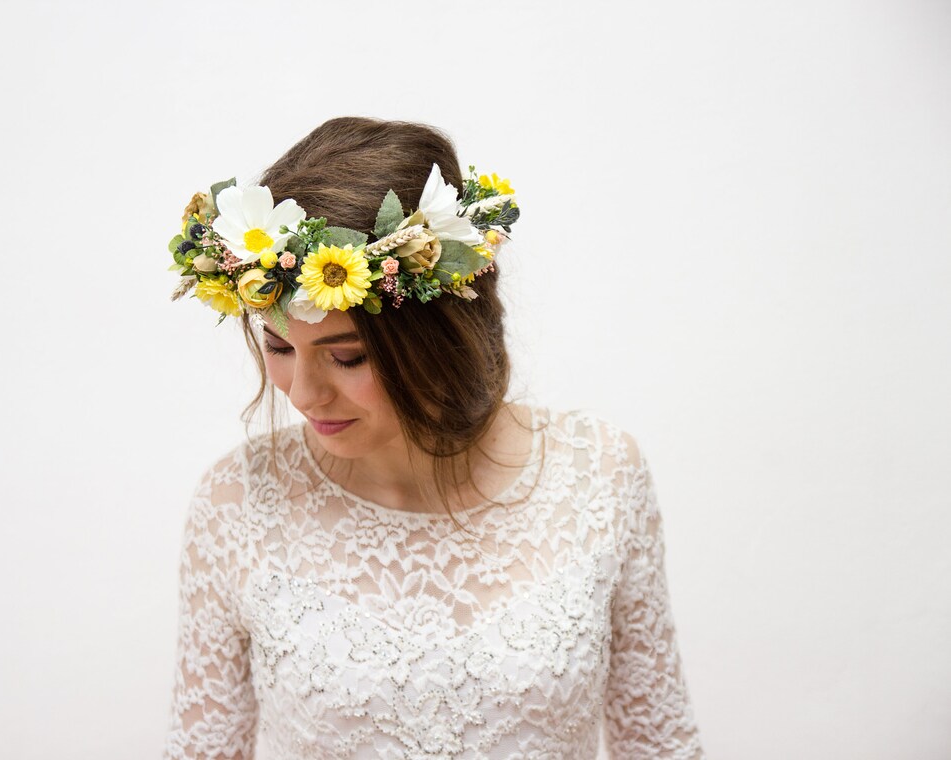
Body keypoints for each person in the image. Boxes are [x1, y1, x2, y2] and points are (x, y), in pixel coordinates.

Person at [162, 117, 704, 759]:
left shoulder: (601, 475)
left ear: (441, 337)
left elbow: (659, 748)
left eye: (348, 357)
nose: (303, 394)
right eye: (278, 347)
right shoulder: (238, 504)